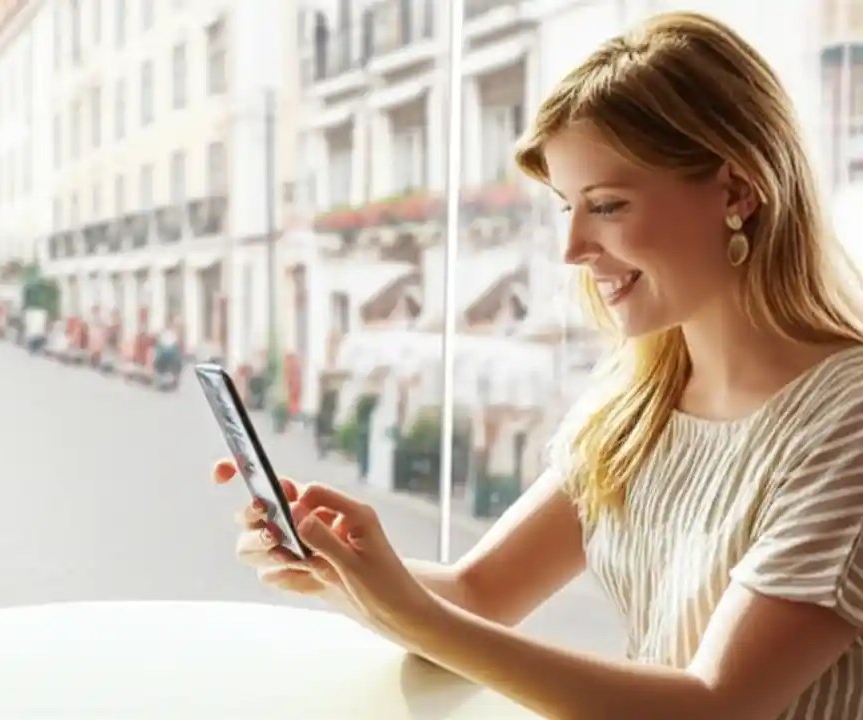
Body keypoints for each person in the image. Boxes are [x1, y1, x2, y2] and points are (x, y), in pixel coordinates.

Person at [213, 12, 863, 719]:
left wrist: (400, 603)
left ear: (737, 192)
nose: (574, 248)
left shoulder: (847, 421)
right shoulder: (636, 401)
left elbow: (717, 705)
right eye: (566, 209)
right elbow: (479, 595)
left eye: (607, 205)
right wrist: (335, 567)